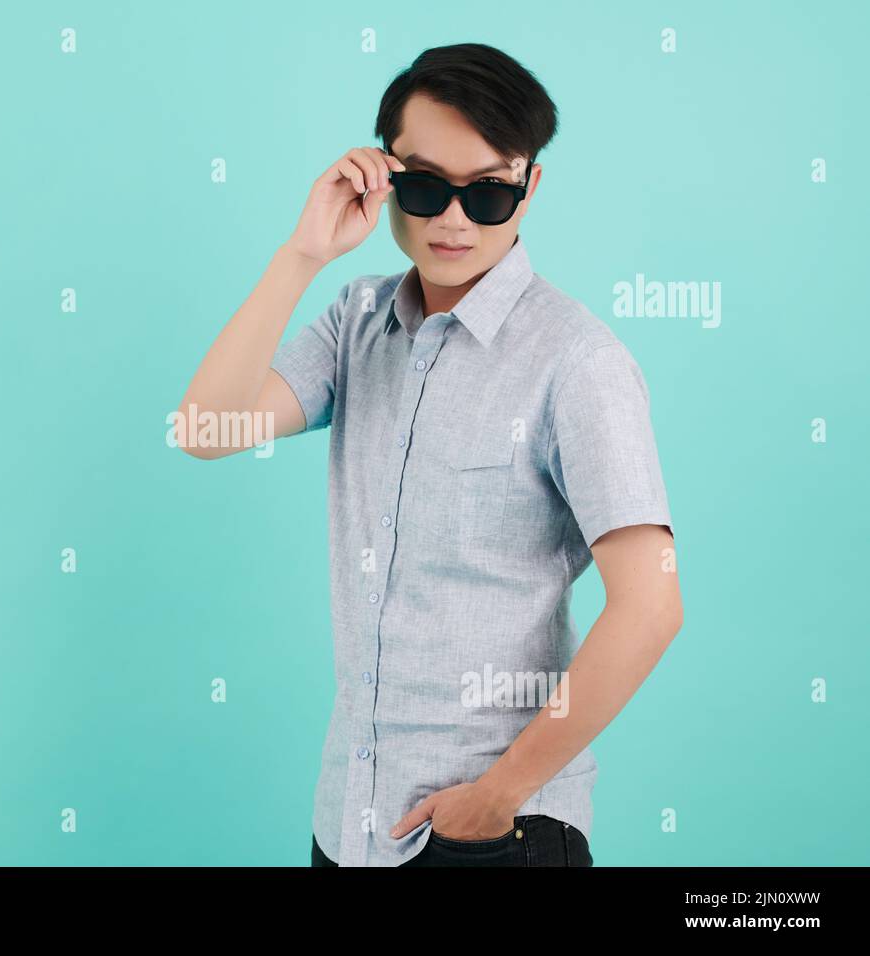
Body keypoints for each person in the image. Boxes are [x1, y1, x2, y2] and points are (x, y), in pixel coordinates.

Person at [175, 43, 681, 867]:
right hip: (351, 824)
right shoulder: (357, 323)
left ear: (530, 189)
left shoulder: (577, 361)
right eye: (422, 186)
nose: (452, 219)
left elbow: (652, 606)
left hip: (490, 836)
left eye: (487, 192)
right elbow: (205, 430)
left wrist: (497, 797)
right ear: (381, 177)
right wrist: (303, 252)